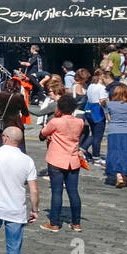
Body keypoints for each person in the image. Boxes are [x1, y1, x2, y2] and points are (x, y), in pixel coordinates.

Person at [38, 94, 83, 233]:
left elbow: (42, 134)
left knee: (57, 192)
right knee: (73, 192)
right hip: (73, 160)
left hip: (56, 160)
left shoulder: (55, 122)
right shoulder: (79, 122)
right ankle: (76, 222)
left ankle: (54, 222)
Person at [103, 82, 127, 188]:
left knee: (114, 152)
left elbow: (108, 118)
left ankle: (118, 174)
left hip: (113, 130)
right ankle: (124, 172)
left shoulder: (109, 104)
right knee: (125, 152)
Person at [83, 68, 108, 163]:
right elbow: (102, 102)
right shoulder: (102, 88)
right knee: (98, 136)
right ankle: (95, 156)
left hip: (89, 110)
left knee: (93, 133)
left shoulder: (91, 85)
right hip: (97, 112)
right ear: (102, 77)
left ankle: (85, 150)